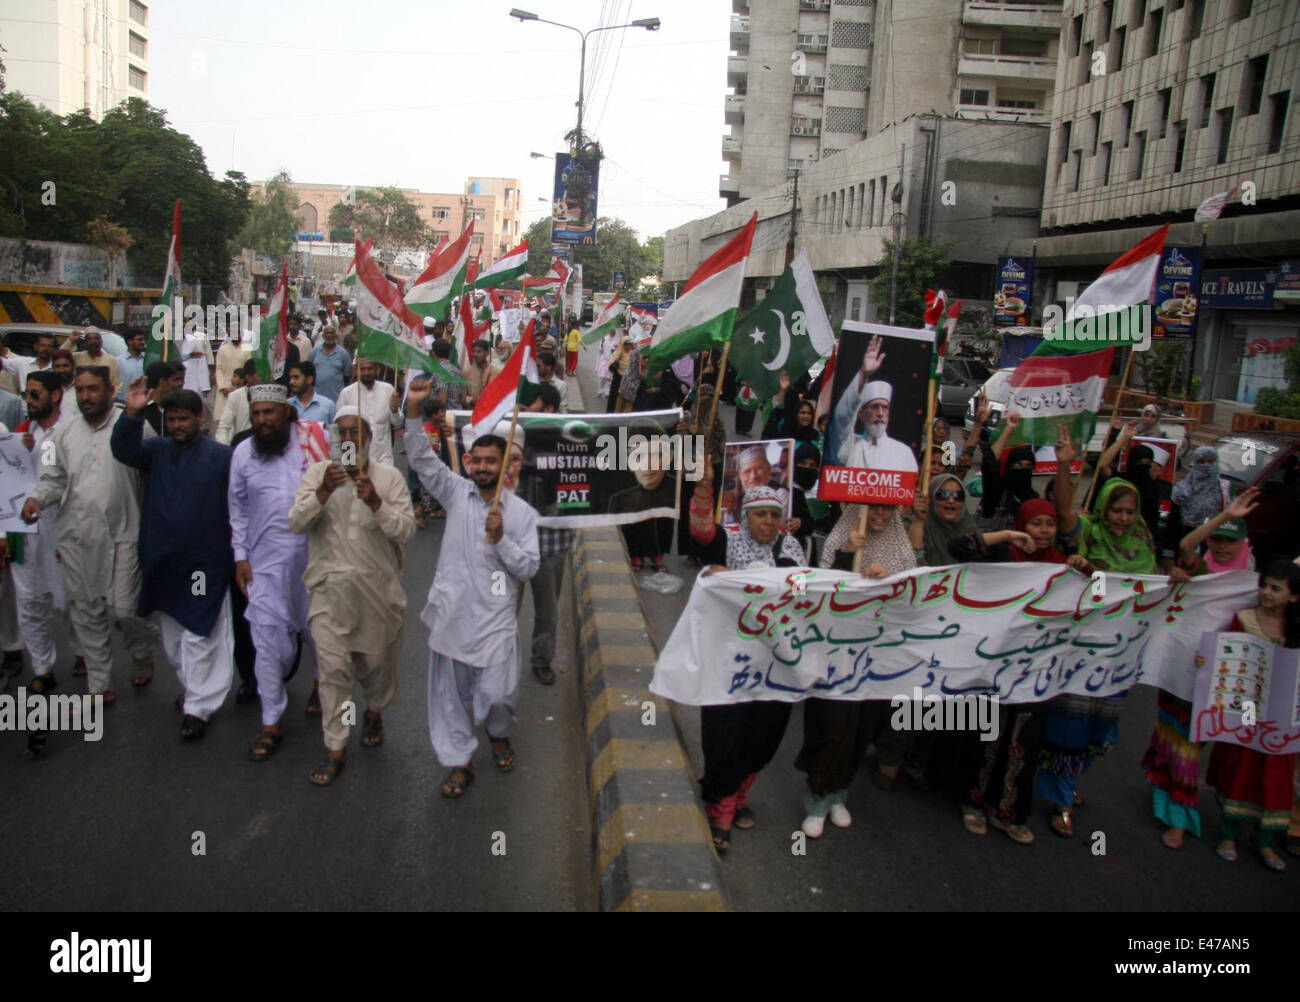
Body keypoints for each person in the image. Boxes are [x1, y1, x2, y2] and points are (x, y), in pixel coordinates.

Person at [402, 377, 539, 799]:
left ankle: (498, 731)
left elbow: (529, 568)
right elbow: (422, 459)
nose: (481, 467)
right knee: (451, 698)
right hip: (452, 616)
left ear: (504, 465)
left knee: (497, 695)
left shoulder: (522, 514)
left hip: (496, 621)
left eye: (489, 462)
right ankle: (460, 760)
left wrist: (502, 541)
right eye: (475, 461)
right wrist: (412, 411)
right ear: (467, 462)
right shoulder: (456, 494)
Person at [1038, 426, 1158, 836]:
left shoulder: (1144, 544)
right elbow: (1065, 513)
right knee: (1070, 722)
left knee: (1100, 728)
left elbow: (1153, 594)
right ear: (1104, 511)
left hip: (1120, 655)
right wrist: (1068, 465)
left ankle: (1065, 782)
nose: (1123, 519)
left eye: (1129, 512)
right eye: (1116, 511)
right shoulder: (1089, 534)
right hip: (1082, 648)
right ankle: (1060, 797)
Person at [288, 406, 415, 786]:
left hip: (377, 594)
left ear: (369, 438)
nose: (348, 439)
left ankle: (374, 709)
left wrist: (376, 502)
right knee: (334, 673)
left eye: (355, 432)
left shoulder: (389, 479)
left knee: (375, 668)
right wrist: (324, 492)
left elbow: (406, 531)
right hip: (329, 596)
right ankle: (337, 746)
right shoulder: (316, 475)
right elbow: (295, 523)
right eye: (341, 432)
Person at [21, 367, 157, 701]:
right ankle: (100, 685)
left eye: (92, 389)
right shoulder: (63, 433)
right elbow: (53, 477)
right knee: (86, 611)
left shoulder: (135, 424)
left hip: (126, 532)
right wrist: (37, 498)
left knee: (124, 609)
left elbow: (156, 469)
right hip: (77, 535)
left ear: (110, 390)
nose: (85, 397)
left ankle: (141, 651)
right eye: (80, 390)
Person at [688, 472, 805, 853]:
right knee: (725, 732)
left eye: (774, 515)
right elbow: (702, 532)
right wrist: (704, 489)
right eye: (760, 515)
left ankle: (740, 790)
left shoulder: (792, 549)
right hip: (729, 663)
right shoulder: (726, 541)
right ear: (747, 516)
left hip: (775, 665)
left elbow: (809, 595)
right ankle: (720, 803)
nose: (768, 522)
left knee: (764, 734)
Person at [112, 382, 235, 740]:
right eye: (172, 419)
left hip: (203, 564)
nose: (178, 426)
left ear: (201, 418)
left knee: (200, 632)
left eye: (184, 419)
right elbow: (123, 449)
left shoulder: (220, 457)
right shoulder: (157, 451)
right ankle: (193, 688)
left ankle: (199, 706)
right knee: (174, 637)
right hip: (162, 558)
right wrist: (132, 414)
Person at [1142, 490, 1261, 849]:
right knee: (1170, 735)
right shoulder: (1202, 569)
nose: (1223, 548)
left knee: (1189, 746)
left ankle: (1179, 816)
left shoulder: (1251, 585)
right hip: (1178, 667)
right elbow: (1186, 542)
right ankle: (1165, 794)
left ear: (1243, 544)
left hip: (1216, 678)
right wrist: (1224, 515)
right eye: (1217, 541)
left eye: (1230, 542)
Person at [229, 384, 313, 761]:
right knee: (267, 645)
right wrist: (239, 555)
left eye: (269, 413)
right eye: (256, 414)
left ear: (286, 413)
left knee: (322, 639)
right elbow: (238, 509)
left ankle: (322, 687)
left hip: (316, 562)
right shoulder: (243, 453)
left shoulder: (313, 440)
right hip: (264, 565)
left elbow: (350, 458)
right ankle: (270, 720)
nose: (262, 421)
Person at [4, 371, 85, 755]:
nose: (29, 399)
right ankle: (42, 669)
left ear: (56, 395)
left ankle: (85, 653)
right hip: (23, 530)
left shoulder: (72, 431)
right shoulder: (18, 433)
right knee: (30, 600)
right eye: (26, 394)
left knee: (70, 598)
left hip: (63, 528)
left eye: (35, 394)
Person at [1204, 559, 1300, 871]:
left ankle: (1265, 841)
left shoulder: (1295, 628)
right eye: (1264, 586)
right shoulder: (1244, 619)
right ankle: (1228, 835)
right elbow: (1225, 658)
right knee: (1241, 764)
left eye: (1276, 589)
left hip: (1282, 714)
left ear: (1294, 597)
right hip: (1245, 708)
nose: (1267, 593)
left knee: (1276, 774)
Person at [831, 334, 918, 474]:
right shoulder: (849, 446)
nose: (880, 413)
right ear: (861, 414)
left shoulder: (904, 452)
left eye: (885, 407)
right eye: (874, 407)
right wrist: (863, 375)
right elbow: (842, 417)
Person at [339, 359, 398, 467]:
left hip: (383, 459)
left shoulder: (388, 389)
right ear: (357, 370)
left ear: (376, 369)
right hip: (356, 461)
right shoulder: (347, 393)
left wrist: (395, 410)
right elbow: (338, 428)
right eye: (362, 369)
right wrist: (346, 462)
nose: (366, 373)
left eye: (369, 369)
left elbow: (397, 423)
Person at [214, 328, 253, 422]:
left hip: (241, 388)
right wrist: (224, 388)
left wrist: (240, 386)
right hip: (224, 389)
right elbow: (219, 370)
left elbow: (249, 369)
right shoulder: (223, 349)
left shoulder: (248, 349)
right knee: (223, 419)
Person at [216, 360, 259, 445]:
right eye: (260, 375)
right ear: (248, 377)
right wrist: (226, 451)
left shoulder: (272, 396)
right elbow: (223, 428)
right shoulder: (235, 396)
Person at [72, 328, 122, 398]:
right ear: (85, 342)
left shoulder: (111, 360)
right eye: (90, 339)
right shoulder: (77, 357)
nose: (93, 342)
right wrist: (70, 341)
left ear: (101, 341)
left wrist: (107, 399)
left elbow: (117, 385)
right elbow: (59, 357)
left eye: (96, 338)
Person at [308, 326, 351, 404]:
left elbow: (347, 375)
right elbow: (309, 372)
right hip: (317, 398)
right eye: (327, 333)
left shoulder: (343, 353)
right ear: (323, 336)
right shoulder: (315, 351)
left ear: (335, 336)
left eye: (331, 333)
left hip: (336, 399)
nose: (329, 335)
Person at [142, 361, 185, 437]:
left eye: (182, 379)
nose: (180, 384)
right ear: (163, 382)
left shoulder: (177, 408)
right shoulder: (140, 411)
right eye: (176, 379)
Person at [288, 358, 335, 425]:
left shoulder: (327, 406)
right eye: (290, 378)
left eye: (296, 377)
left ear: (309, 379)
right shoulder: (287, 405)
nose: (291, 382)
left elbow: (333, 433)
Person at [462, 338, 501, 411]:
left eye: (479, 352)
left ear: (486, 353)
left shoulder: (496, 372)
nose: (475, 354)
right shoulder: (466, 372)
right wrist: (472, 401)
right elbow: (463, 397)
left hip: (490, 411)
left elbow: (499, 395)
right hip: (472, 412)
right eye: (474, 351)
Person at [427, 339, 463, 410]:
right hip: (458, 412)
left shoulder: (440, 371)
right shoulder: (457, 371)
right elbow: (463, 398)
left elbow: (442, 400)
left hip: (445, 416)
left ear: (433, 353)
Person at [116, 328, 147, 403]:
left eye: (143, 339)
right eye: (139, 340)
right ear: (129, 342)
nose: (143, 342)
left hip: (145, 402)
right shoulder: (118, 361)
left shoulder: (148, 359)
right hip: (124, 403)